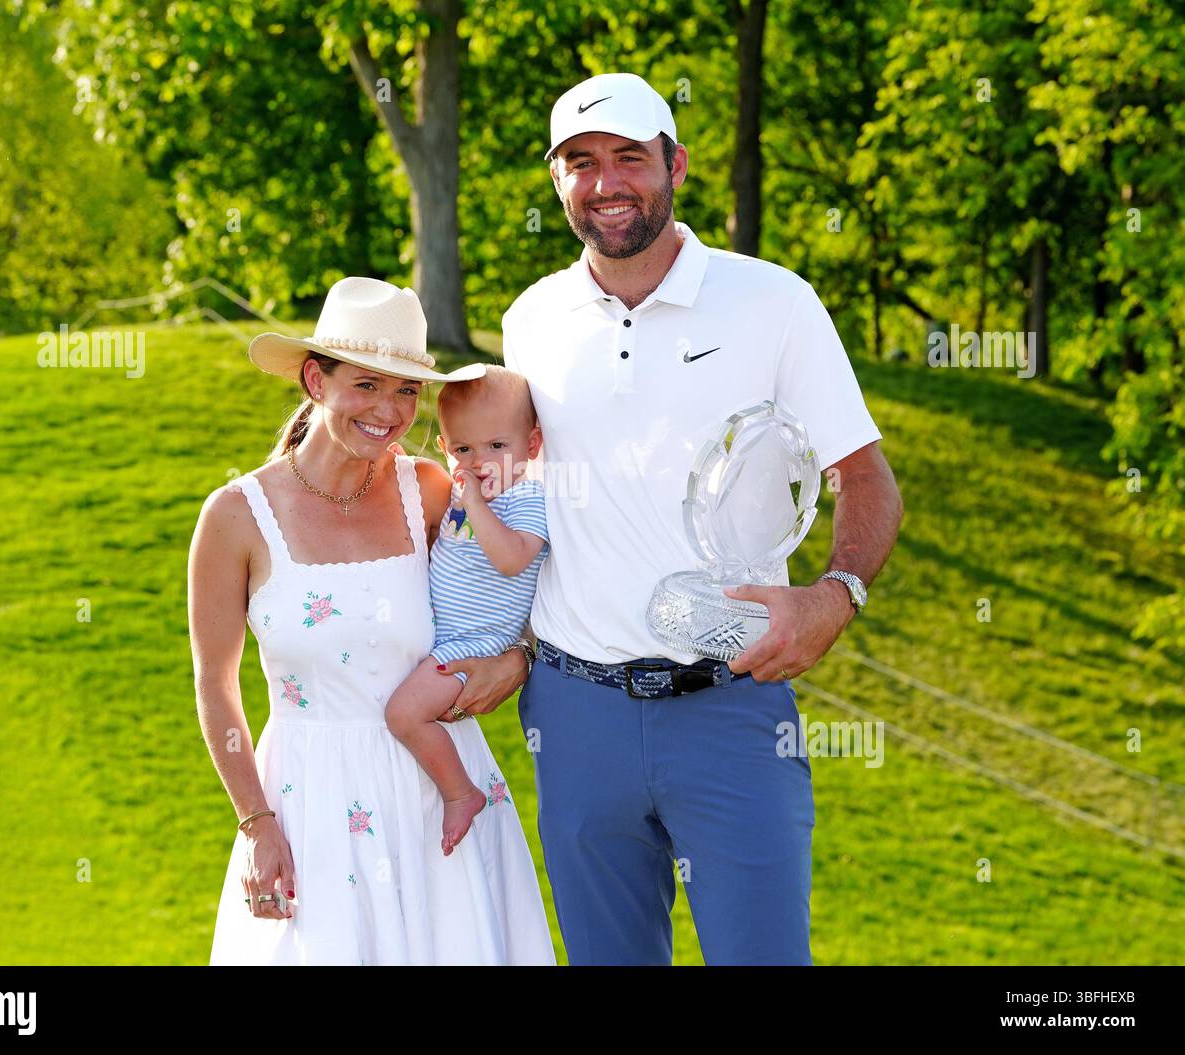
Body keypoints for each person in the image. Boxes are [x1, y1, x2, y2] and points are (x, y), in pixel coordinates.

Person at [502, 73, 904, 965]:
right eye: (581, 163)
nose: (607, 182)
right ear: (557, 180)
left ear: (675, 164)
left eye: (629, 158)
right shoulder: (530, 320)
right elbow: (512, 489)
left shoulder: (775, 303)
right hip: (571, 713)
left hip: (730, 707)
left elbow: (868, 480)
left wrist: (834, 597)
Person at [190, 276, 555, 965]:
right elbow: (215, 684)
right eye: (366, 385)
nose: (390, 411)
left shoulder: (433, 490)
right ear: (313, 379)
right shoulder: (236, 516)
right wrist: (257, 822)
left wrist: (519, 657)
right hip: (311, 804)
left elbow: (526, 583)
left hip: (442, 794)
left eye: (407, 390)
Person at [383, 366, 548, 857]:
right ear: (446, 450)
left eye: (498, 446)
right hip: (443, 636)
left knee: (404, 714)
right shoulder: (463, 492)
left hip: (472, 648)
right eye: (464, 450)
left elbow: (513, 558)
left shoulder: (527, 498)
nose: (482, 462)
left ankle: (461, 793)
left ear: (532, 445)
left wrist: (474, 500)